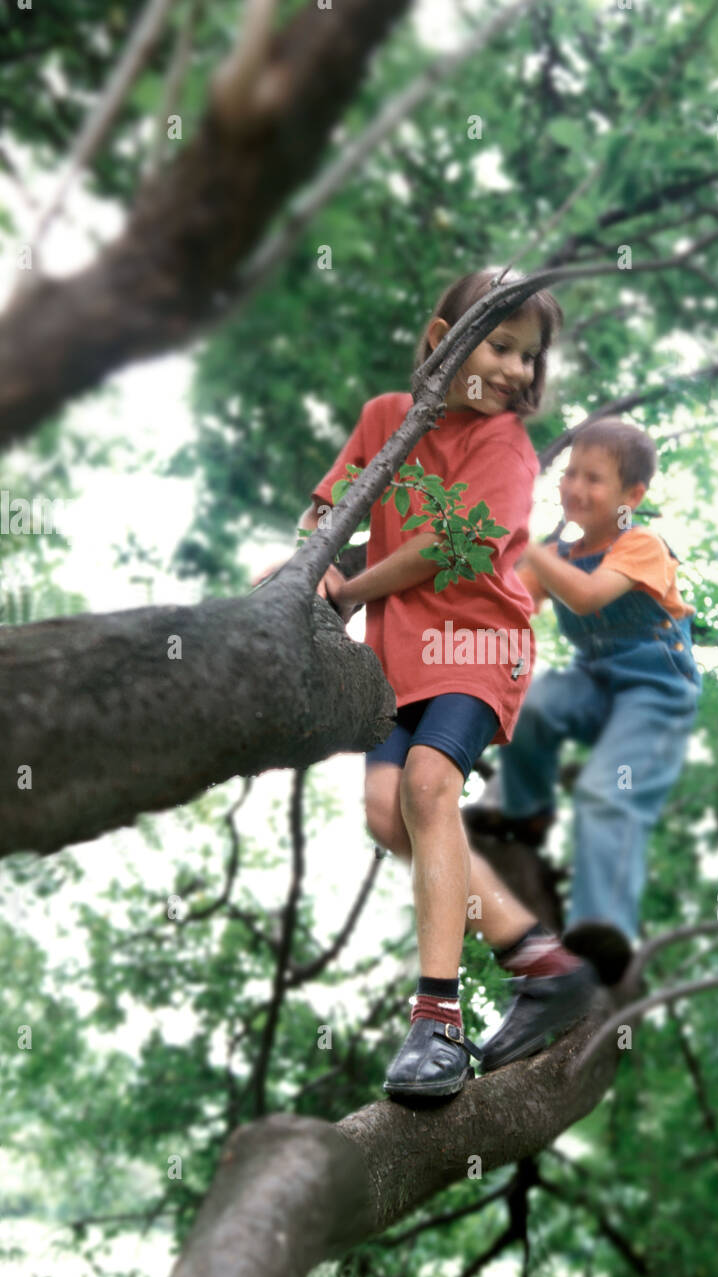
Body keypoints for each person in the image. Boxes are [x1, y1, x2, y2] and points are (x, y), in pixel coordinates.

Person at [253, 268, 600, 1104]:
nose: (519, 369)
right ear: (443, 340)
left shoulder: (505, 448)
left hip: (480, 644)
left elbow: (457, 550)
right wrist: (305, 567)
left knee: (427, 784)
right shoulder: (385, 421)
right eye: (502, 346)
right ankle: (541, 962)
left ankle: (435, 1022)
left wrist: (347, 589)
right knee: (388, 814)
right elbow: (330, 510)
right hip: (398, 658)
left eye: (531, 355)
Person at [464, 416, 702, 1001]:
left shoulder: (640, 545)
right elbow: (510, 601)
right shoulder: (560, 551)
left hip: (655, 689)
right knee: (535, 706)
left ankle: (605, 925)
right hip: (596, 682)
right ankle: (525, 813)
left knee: (606, 790)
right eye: (570, 473)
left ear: (631, 497)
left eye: (593, 479)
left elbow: (589, 594)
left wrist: (532, 551)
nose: (574, 487)